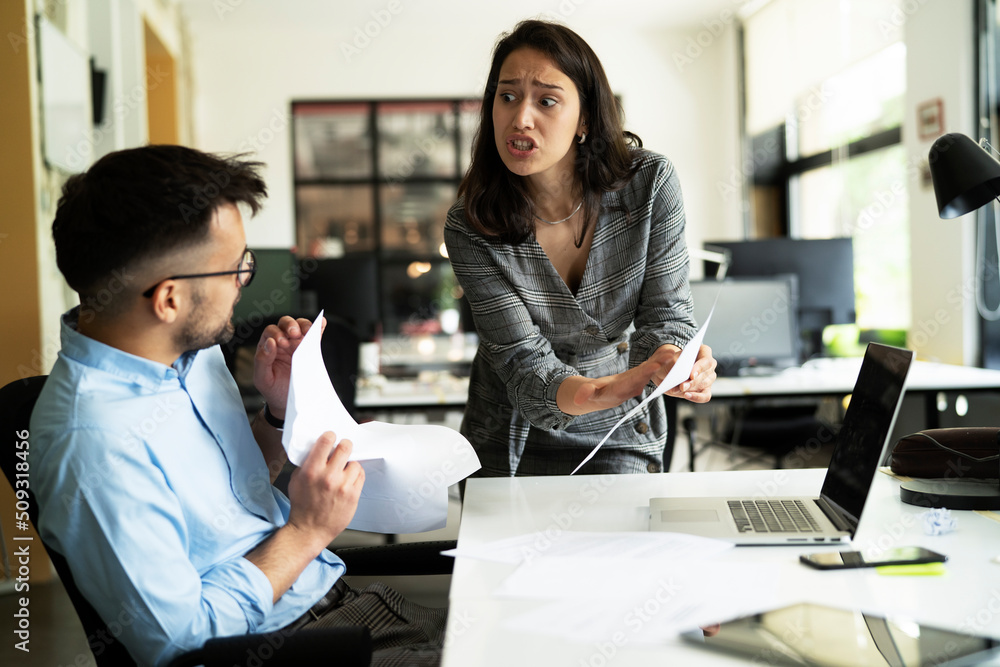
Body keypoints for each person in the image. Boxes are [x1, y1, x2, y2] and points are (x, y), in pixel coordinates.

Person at [31, 145, 446, 666]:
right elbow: (176, 640)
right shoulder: (90, 444)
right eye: (235, 270)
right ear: (169, 299)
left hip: (346, 604)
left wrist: (277, 412)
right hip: (286, 650)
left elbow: (234, 498)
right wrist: (307, 530)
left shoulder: (191, 355)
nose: (243, 285)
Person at [444, 20, 717, 477]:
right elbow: (523, 363)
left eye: (546, 100)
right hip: (509, 430)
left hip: (619, 425)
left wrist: (674, 361)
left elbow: (666, 317)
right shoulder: (472, 223)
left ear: (585, 119)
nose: (520, 118)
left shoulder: (648, 186)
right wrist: (611, 387)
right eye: (506, 96)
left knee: (624, 540)